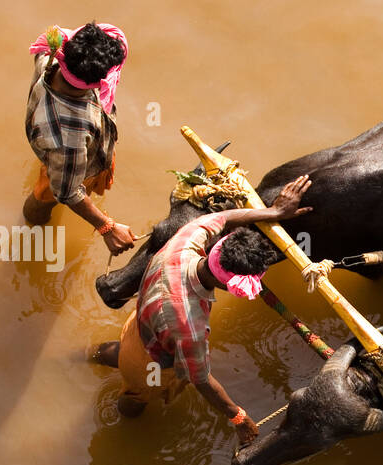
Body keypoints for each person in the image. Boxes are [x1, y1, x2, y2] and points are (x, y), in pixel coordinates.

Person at [93, 176, 315, 443]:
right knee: (138, 395)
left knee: (122, 352)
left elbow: (224, 219)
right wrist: (237, 416)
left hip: (140, 325)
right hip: (150, 365)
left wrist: (274, 212)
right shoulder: (188, 326)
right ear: (228, 283)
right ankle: (123, 432)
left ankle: (84, 355)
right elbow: (199, 378)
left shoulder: (186, 242)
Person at [23, 21, 136, 257]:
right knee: (48, 194)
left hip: (56, 145)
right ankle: (32, 226)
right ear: (98, 82)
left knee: (52, 177)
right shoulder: (70, 140)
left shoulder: (50, 57)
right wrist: (107, 227)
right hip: (69, 165)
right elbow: (67, 191)